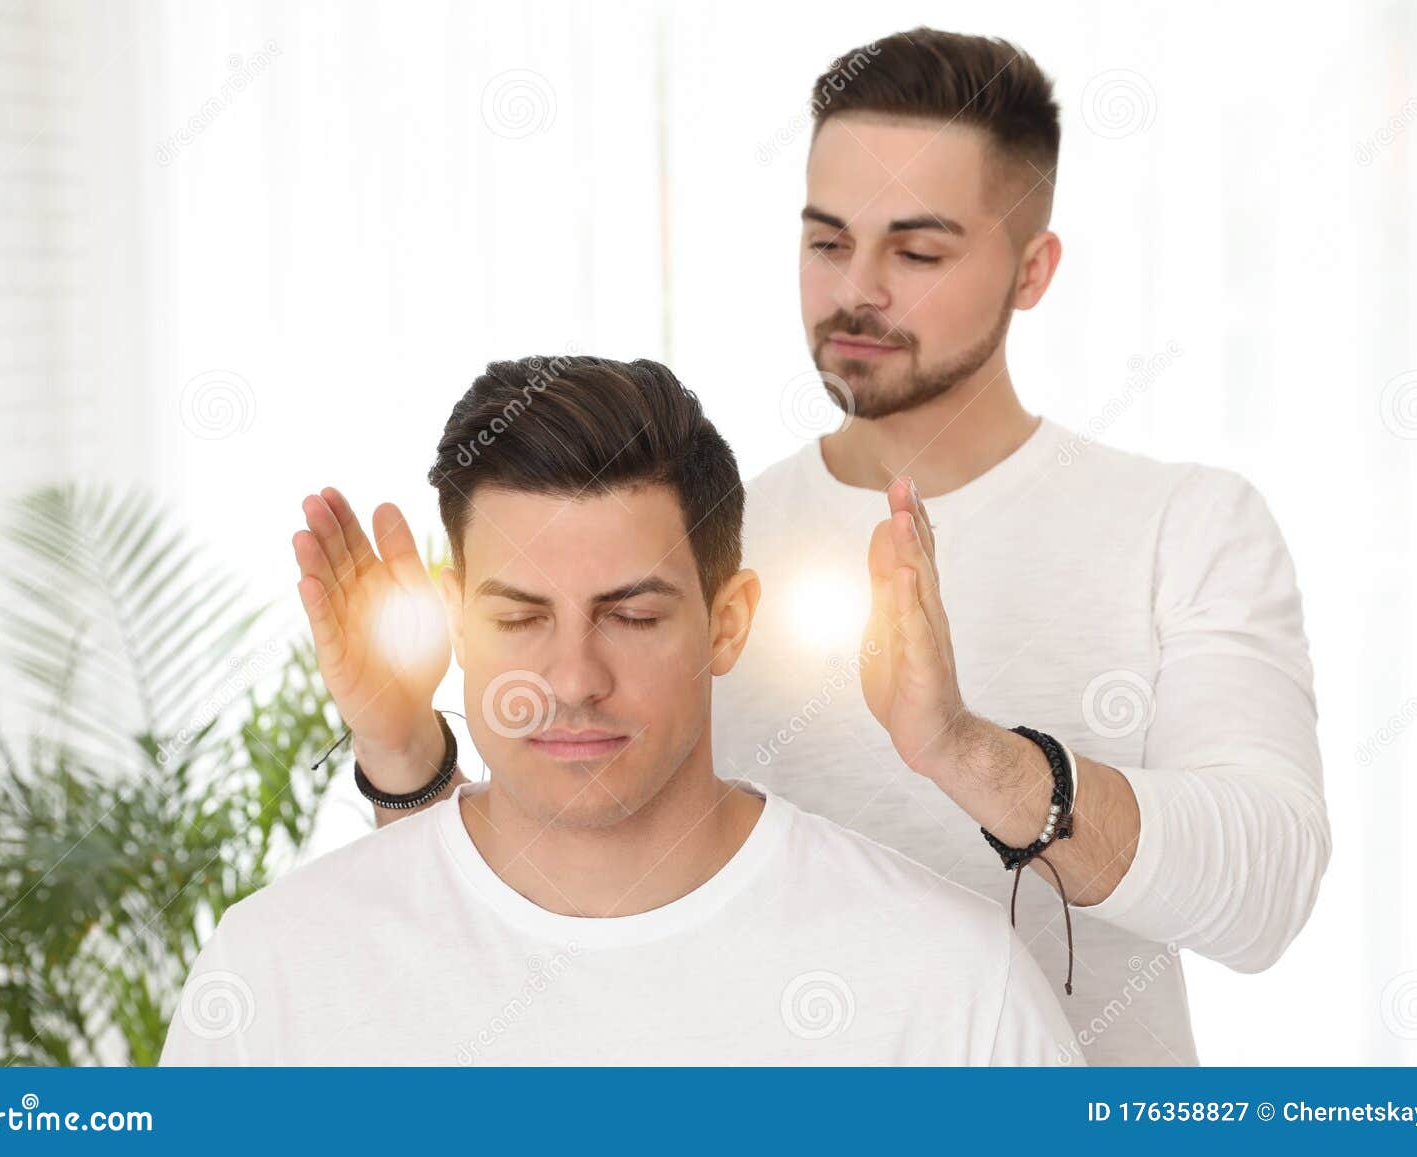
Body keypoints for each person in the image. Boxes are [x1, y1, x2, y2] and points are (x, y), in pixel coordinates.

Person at [297, 29, 1331, 1066]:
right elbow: (506, 915)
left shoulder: (1184, 528)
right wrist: (401, 752)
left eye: (917, 251)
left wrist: (962, 749)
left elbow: (1269, 893)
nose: (859, 290)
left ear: (1032, 269)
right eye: (827, 242)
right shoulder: (690, 555)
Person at [161, 355, 1083, 1066]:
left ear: (727, 625)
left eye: (632, 615)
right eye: (519, 616)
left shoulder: (949, 986)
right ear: (455, 622)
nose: (573, 677)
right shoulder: (275, 976)